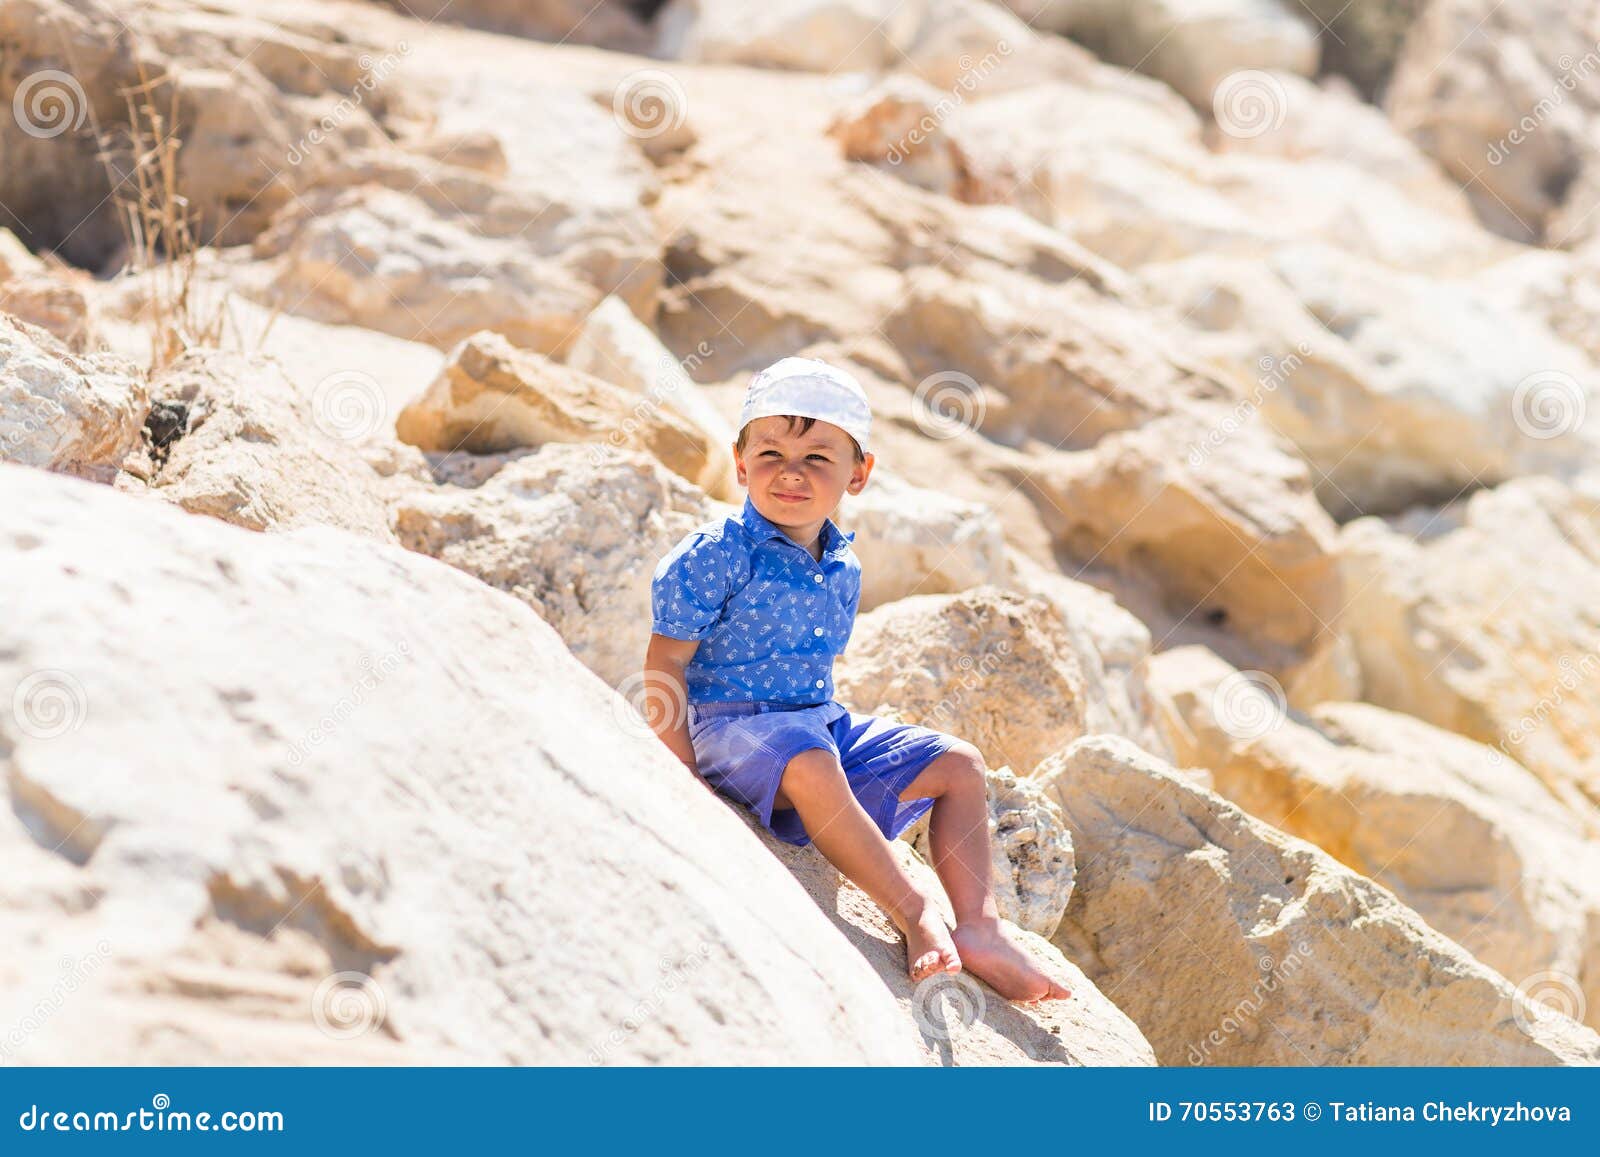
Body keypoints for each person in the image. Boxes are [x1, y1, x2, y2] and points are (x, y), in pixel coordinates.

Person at [642, 356, 1072, 1003]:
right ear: (738, 461)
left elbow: (812, 686)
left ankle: (981, 927)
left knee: (959, 763)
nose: (791, 471)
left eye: (818, 457)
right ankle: (913, 910)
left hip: (816, 725)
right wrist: (681, 774)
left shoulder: (842, 566)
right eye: (770, 453)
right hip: (727, 730)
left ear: (859, 473)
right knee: (813, 762)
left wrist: (824, 738)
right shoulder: (716, 553)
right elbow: (665, 663)